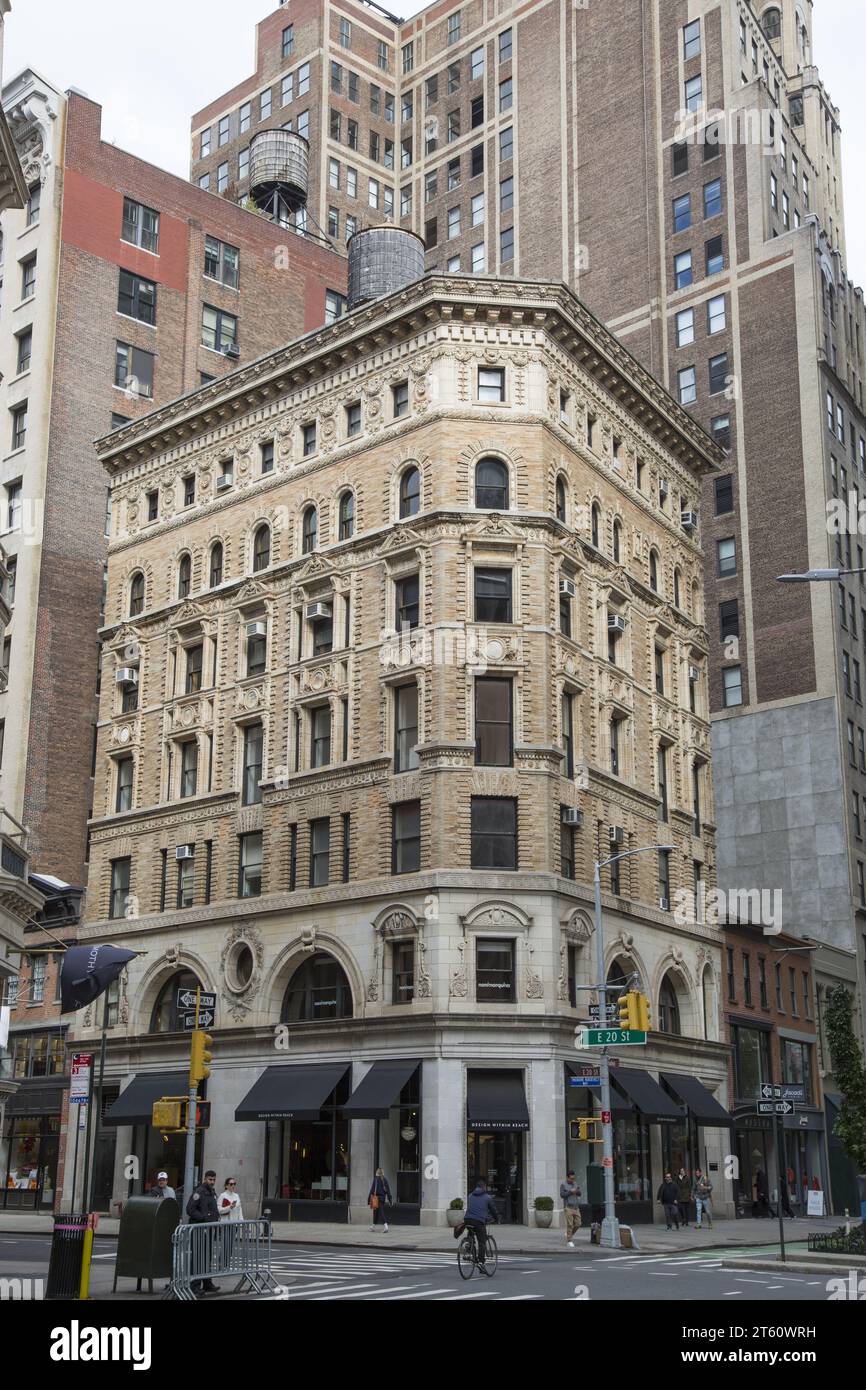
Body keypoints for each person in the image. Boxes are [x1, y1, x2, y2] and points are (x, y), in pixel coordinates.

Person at [186, 1169, 220, 1294]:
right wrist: (203, 1218)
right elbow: (190, 1209)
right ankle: (194, 1286)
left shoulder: (211, 1192)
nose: (212, 1182)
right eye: (210, 1179)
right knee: (197, 1258)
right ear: (205, 1179)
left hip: (209, 1230)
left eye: (214, 1180)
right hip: (199, 1229)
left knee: (207, 1257)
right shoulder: (199, 1192)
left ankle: (207, 1283)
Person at [465, 1178, 499, 1266]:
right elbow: (493, 1210)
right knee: (482, 1241)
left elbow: (473, 1208)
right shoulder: (487, 1197)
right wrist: (497, 1219)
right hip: (479, 1221)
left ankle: (469, 1246)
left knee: (471, 1232)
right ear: (484, 1187)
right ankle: (481, 1262)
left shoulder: (470, 1195)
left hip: (467, 1219)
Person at [560, 1169, 582, 1247]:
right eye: (571, 1178)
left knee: (578, 1223)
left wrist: (576, 1191)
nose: (572, 1180)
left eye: (573, 1178)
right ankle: (569, 1241)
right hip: (568, 1207)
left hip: (576, 1207)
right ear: (567, 1177)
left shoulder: (575, 1184)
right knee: (570, 1224)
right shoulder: (563, 1184)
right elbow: (562, 1195)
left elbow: (580, 1193)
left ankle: (569, 1234)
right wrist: (570, 1192)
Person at [368, 1168, 392, 1232]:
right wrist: (390, 1200)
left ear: (377, 1173)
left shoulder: (375, 1180)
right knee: (376, 1212)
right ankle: (373, 1226)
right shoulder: (385, 1180)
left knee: (381, 1212)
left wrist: (368, 1200)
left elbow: (372, 1190)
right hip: (382, 1198)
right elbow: (388, 1191)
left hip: (376, 1199)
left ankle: (386, 1225)